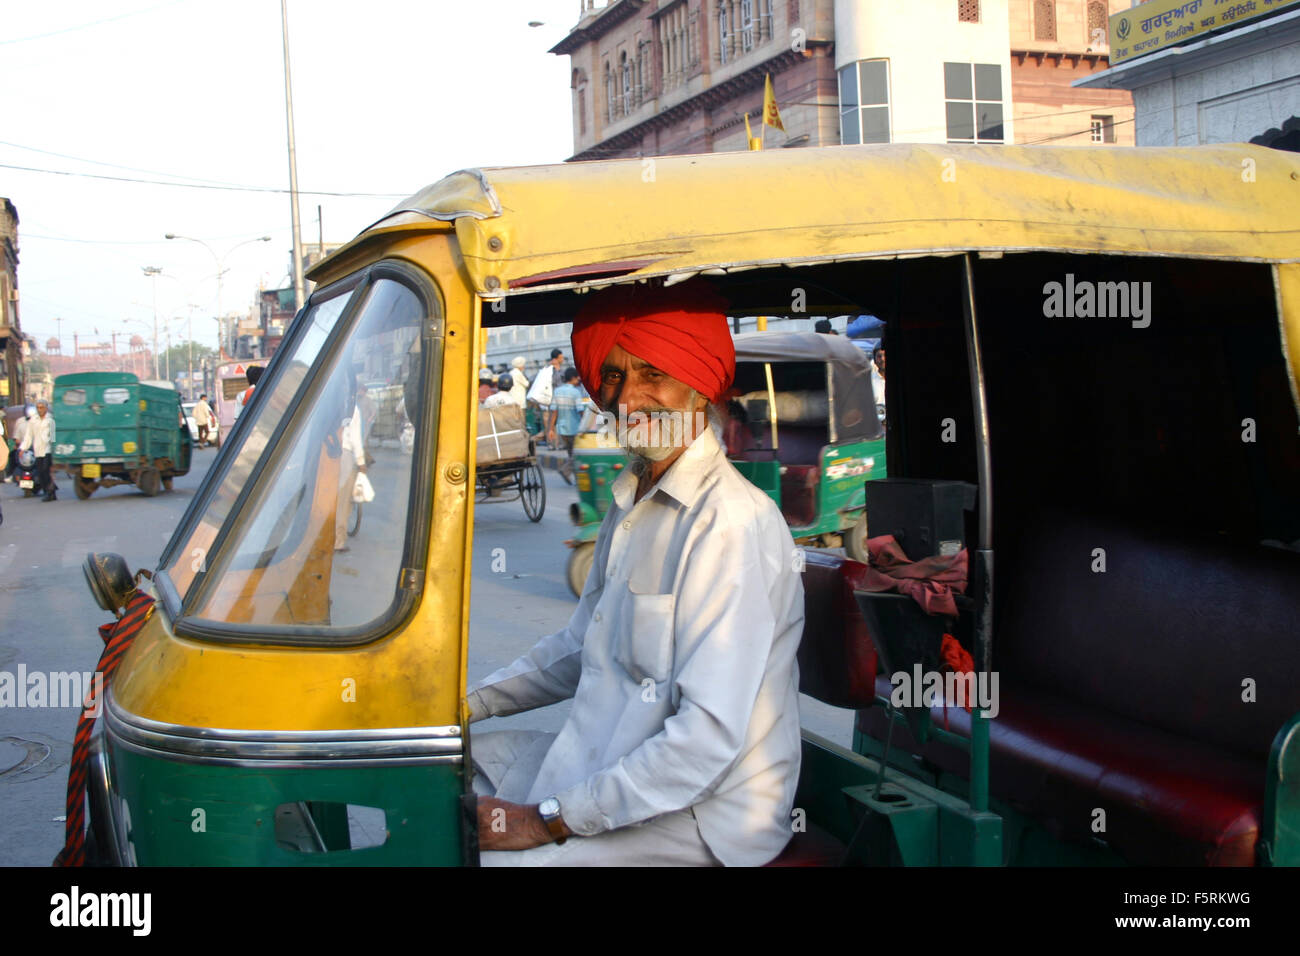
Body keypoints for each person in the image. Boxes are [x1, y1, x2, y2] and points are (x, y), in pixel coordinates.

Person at [467, 281, 805, 867]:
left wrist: (543, 821)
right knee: (457, 769)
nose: (630, 400)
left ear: (699, 386)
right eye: (616, 378)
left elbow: (703, 744)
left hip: (709, 812)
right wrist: (464, 704)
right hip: (614, 762)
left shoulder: (730, 524)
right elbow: (580, 648)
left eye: (654, 375)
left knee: (498, 862)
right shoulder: (631, 504)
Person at [550, 367, 589, 482]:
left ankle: (576, 478)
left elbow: (554, 411)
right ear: (572, 378)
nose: (578, 380)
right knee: (577, 455)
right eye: (577, 377)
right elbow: (580, 410)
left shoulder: (557, 391)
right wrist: (586, 425)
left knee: (571, 453)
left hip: (562, 429)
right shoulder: (576, 392)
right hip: (574, 428)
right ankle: (565, 470)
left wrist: (551, 429)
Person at [20, 399, 57, 502]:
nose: (40, 410)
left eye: (42, 407)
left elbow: (53, 436)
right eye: (38, 408)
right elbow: (28, 436)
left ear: (46, 408)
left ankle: (49, 492)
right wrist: (23, 448)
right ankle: (49, 491)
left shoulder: (51, 419)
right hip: (38, 450)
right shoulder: (33, 420)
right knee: (40, 472)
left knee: (46, 471)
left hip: (48, 450)